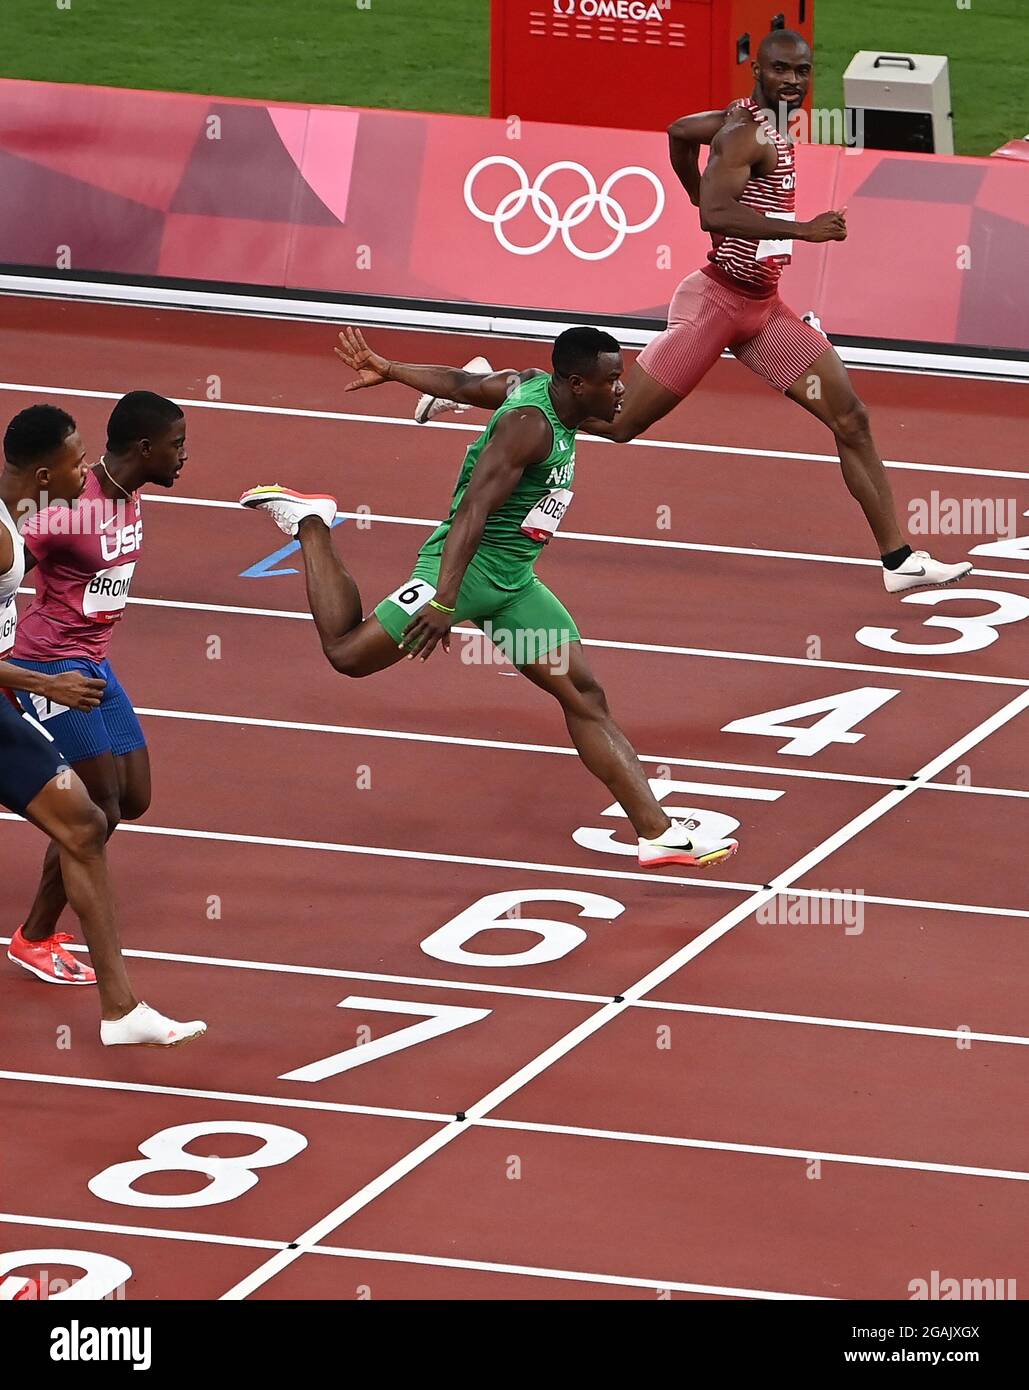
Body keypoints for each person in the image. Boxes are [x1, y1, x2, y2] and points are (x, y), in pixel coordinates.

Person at [241, 326, 739, 870]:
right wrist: (446, 600)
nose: (621, 390)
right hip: (462, 572)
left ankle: (656, 833)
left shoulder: (530, 388)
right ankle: (312, 523)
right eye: (612, 381)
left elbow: (464, 383)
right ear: (576, 383)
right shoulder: (528, 429)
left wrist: (391, 368)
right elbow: (474, 509)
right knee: (347, 655)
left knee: (584, 694)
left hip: (513, 583)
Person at [583, 28, 971, 596]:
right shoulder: (744, 134)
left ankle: (899, 560)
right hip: (718, 303)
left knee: (851, 419)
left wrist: (694, 184)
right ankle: (489, 388)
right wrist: (801, 229)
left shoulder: (750, 121)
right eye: (780, 70)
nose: (792, 80)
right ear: (757, 71)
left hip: (762, 312)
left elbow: (678, 132)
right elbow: (712, 215)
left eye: (802, 71)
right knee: (619, 423)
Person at [0, 404, 204, 1045]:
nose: (84, 468)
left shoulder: (44, 514)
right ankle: (39, 939)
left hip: (59, 677)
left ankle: (120, 1011)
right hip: (45, 672)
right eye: (73, 459)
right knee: (96, 812)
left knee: (100, 815)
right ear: (43, 472)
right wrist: (40, 681)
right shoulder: (33, 526)